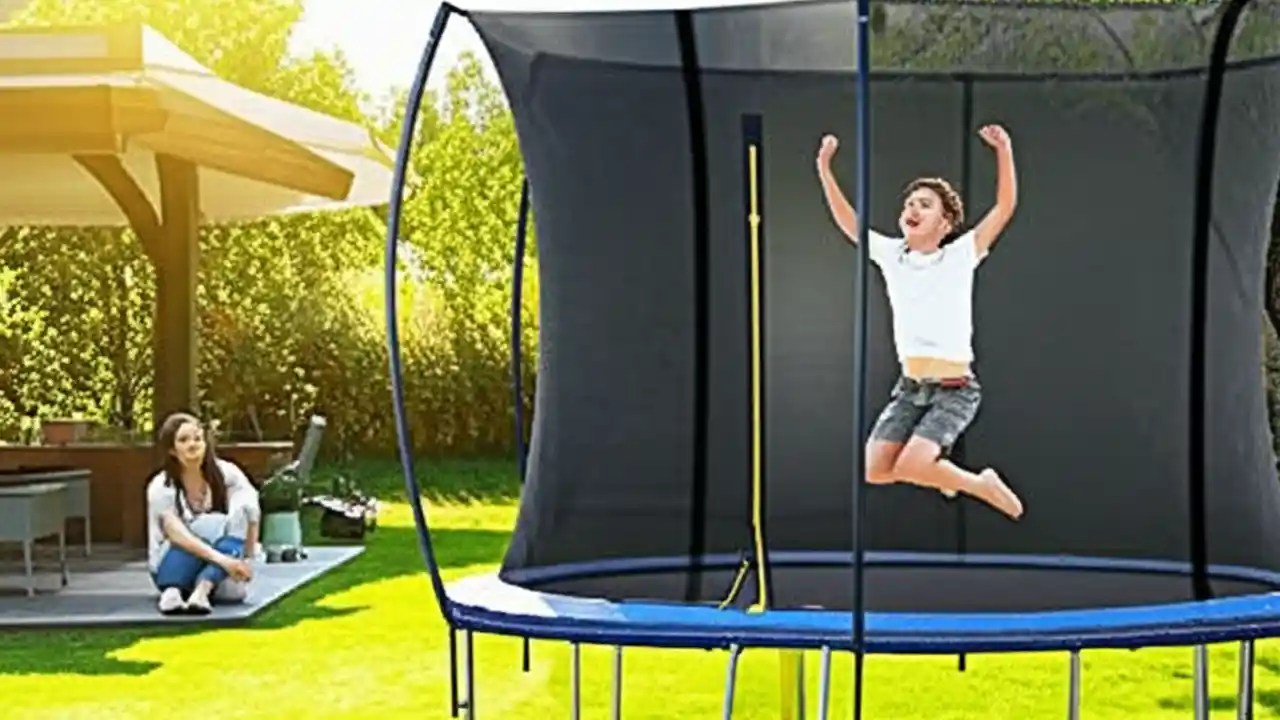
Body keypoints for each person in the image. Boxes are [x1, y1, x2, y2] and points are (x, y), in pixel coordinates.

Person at [814, 124, 1024, 520]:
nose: (912, 209)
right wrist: (825, 169)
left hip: (954, 389)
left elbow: (1004, 206)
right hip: (909, 388)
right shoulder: (893, 254)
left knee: (910, 466)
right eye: (909, 203)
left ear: (945, 223)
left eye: (925, 205)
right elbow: (849, 224)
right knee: (875, 470)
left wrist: (1003, 150)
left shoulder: (961, 255)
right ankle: (940, 475)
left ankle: (980, 483)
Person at [145, 412, 262, 614]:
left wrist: (246, 558)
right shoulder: (161, 486)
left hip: (215, 567)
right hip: (172, 566)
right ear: (172, 449)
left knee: (233, 593)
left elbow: (250, 515)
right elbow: (176, 535)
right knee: (210, 523)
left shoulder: (228, 473)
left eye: (197, 438)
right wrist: (225, 561)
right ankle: (172, 592)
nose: (193, 444)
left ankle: (202, 590)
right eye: (184, 440)